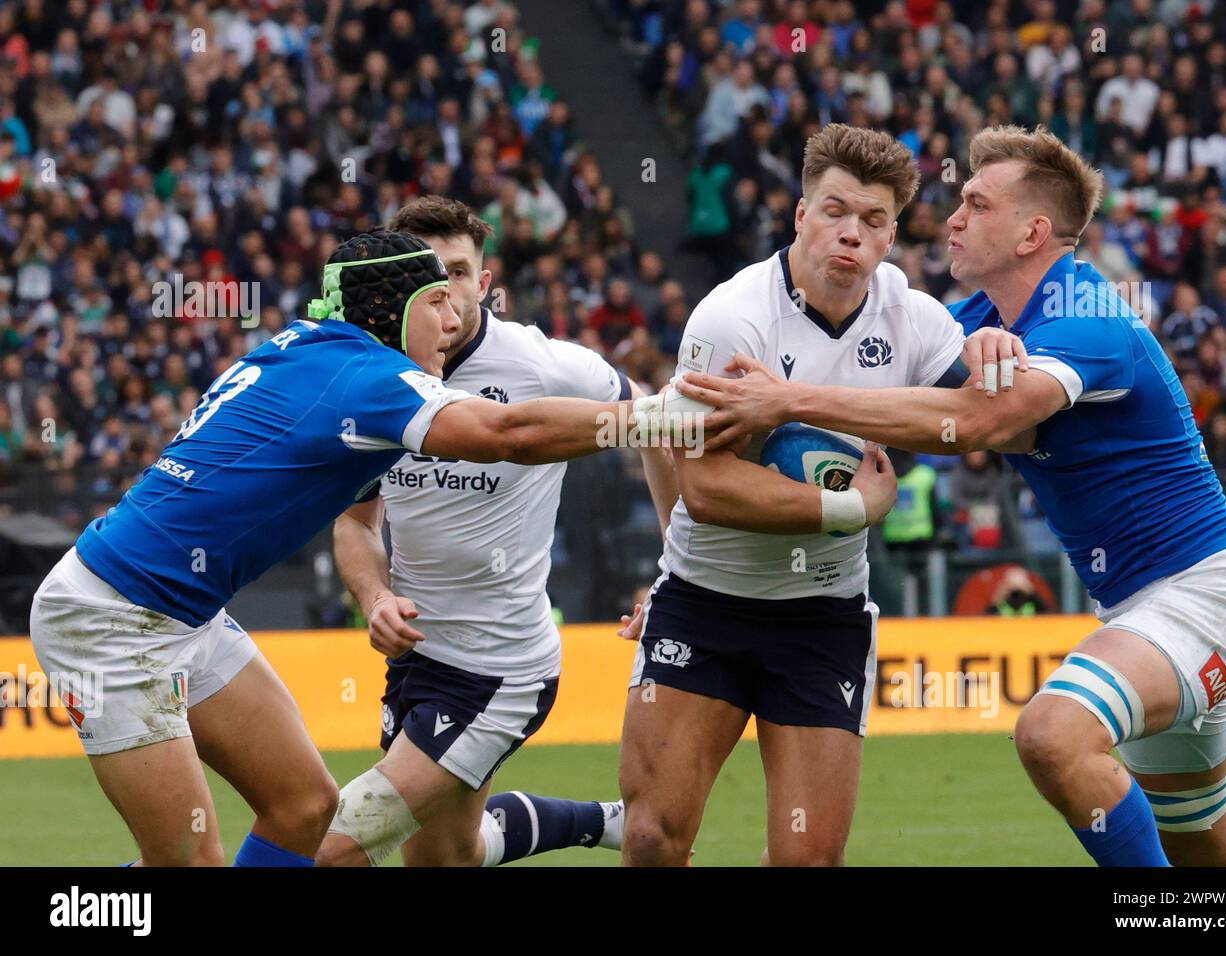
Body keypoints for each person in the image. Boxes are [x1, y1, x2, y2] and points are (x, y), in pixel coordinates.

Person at [679, 126, 1226, 867]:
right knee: (1208, 845)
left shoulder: (1087, 314)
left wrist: (787, 401)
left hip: (1203, 595)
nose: (954, 219)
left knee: (1052, 734)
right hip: (1138, 610)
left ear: (1033, 231)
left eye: (975, 202)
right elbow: (917, 388)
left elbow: (975, 421)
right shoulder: (976, 324)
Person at [28, 229, 664, 867]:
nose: (453, 320)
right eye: (434, 302)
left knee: (306, 807)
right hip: (112, 620)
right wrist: (666, 415)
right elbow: (506, 433)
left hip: (179, 610)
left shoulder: (312, 348)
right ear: (390, 311)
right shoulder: (368, 375)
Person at [616, 124, 1020, 867]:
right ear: (800, 216)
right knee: (649, 839)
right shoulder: (732, 318)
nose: (851, 234)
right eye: (834, 211)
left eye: (872, 221)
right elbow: (705, 488)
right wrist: (851, 510)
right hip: (706, 600)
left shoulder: (913, 317)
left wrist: (995, 353)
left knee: (808, 859)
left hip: (822, 617)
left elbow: (979, 424)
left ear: (892, 235)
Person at [318, 198, 678, 867]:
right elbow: (355, 521)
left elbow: (657, 419)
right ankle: (603, 822)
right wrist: (373, 599)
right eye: (428, 277)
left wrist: (673, 569)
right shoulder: (374, 380)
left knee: (341, 848)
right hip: (415, 659)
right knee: (447, 856)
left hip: (499, 669)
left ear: (484, 283)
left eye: (459, 272)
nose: (446, 294)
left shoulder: (544, 367)